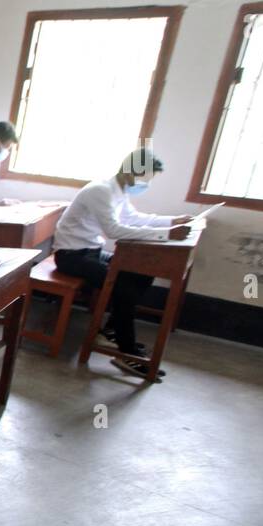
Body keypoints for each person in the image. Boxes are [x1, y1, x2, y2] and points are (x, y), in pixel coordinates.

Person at [52, 147, 194, 378]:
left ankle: (111, 332)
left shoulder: (119, 190)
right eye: (146, 177)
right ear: (130, 172)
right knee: (123, 290)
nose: (147, 183)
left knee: (142, 272)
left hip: (92, 252)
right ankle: (125, 352)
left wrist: (171, 222)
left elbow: (132, 218)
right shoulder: (101, 190)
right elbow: (114, 230)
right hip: (71, 256)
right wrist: (168, 234)